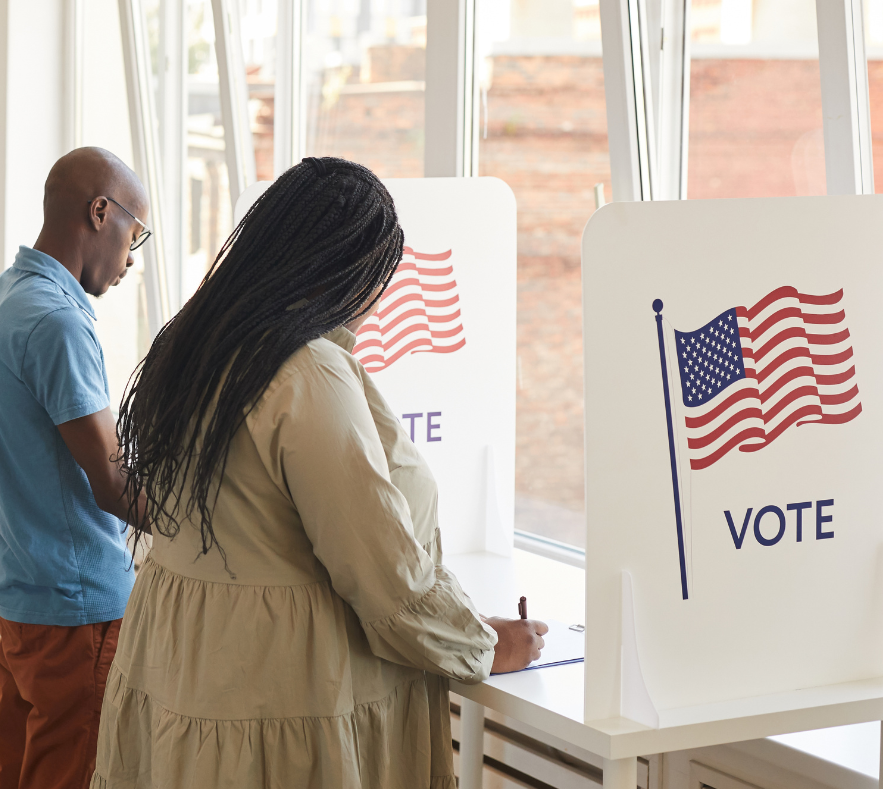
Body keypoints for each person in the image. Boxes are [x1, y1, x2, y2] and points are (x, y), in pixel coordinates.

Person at [93, 158, 548, 789]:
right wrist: (483, 645)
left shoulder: (194, 344)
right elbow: (380, 567)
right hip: (283, 683)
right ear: (347, 270)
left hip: (190, 661)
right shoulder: (306, 371)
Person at [0, 147, 149, 789]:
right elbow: (113, 483)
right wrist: (216, 509)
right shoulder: (60, 322)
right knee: (66, 775)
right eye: (135, 234)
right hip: (78, 607)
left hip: (22, 588)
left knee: (12, 770)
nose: (132, 259)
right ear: (101, 212)